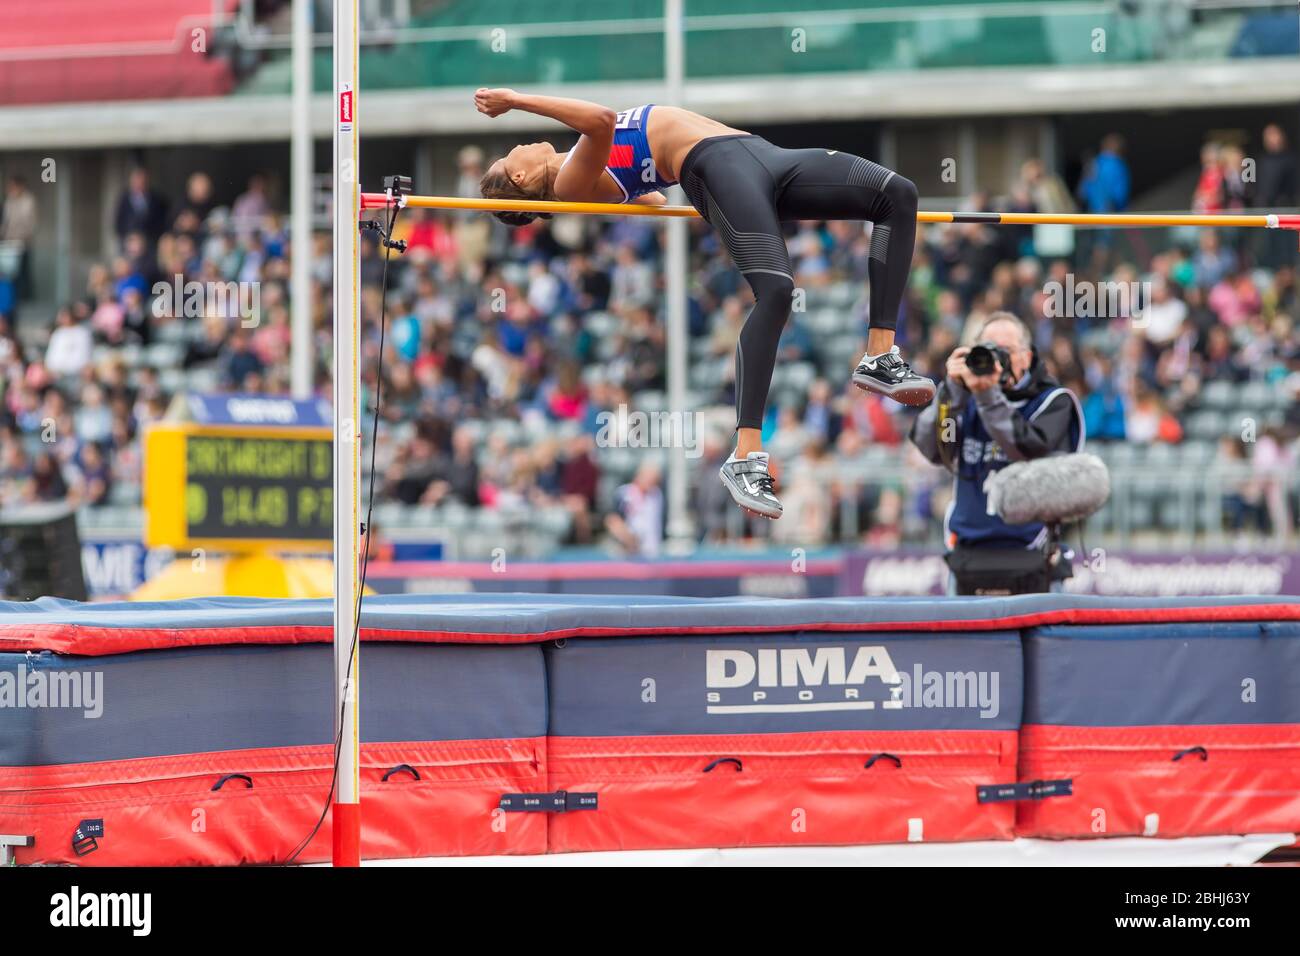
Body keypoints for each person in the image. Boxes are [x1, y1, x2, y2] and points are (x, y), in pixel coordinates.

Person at [472, 88, 933, 519]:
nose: (517, 146)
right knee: (775, 290)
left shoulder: (581, 168)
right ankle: (746, 454)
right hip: (714, 163)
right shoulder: (571, 182)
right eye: (508, 154)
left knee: (897, 194)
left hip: (758, 154)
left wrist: (632, 187)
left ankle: (879, 355)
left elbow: (645, 191)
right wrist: (515, 100)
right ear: (519, 175)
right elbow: (602, 120)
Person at [909, 311, 1083, 593]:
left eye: (1007, 351)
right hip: (969, 555)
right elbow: (933, 448)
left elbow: (1025, 449)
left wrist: (988, 396)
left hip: (1033, 554)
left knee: (1042, 639)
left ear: (1026, 357)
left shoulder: (1053, 401)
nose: (997, 359)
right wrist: (950, 393)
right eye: (989, 350)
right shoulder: (962, 400)